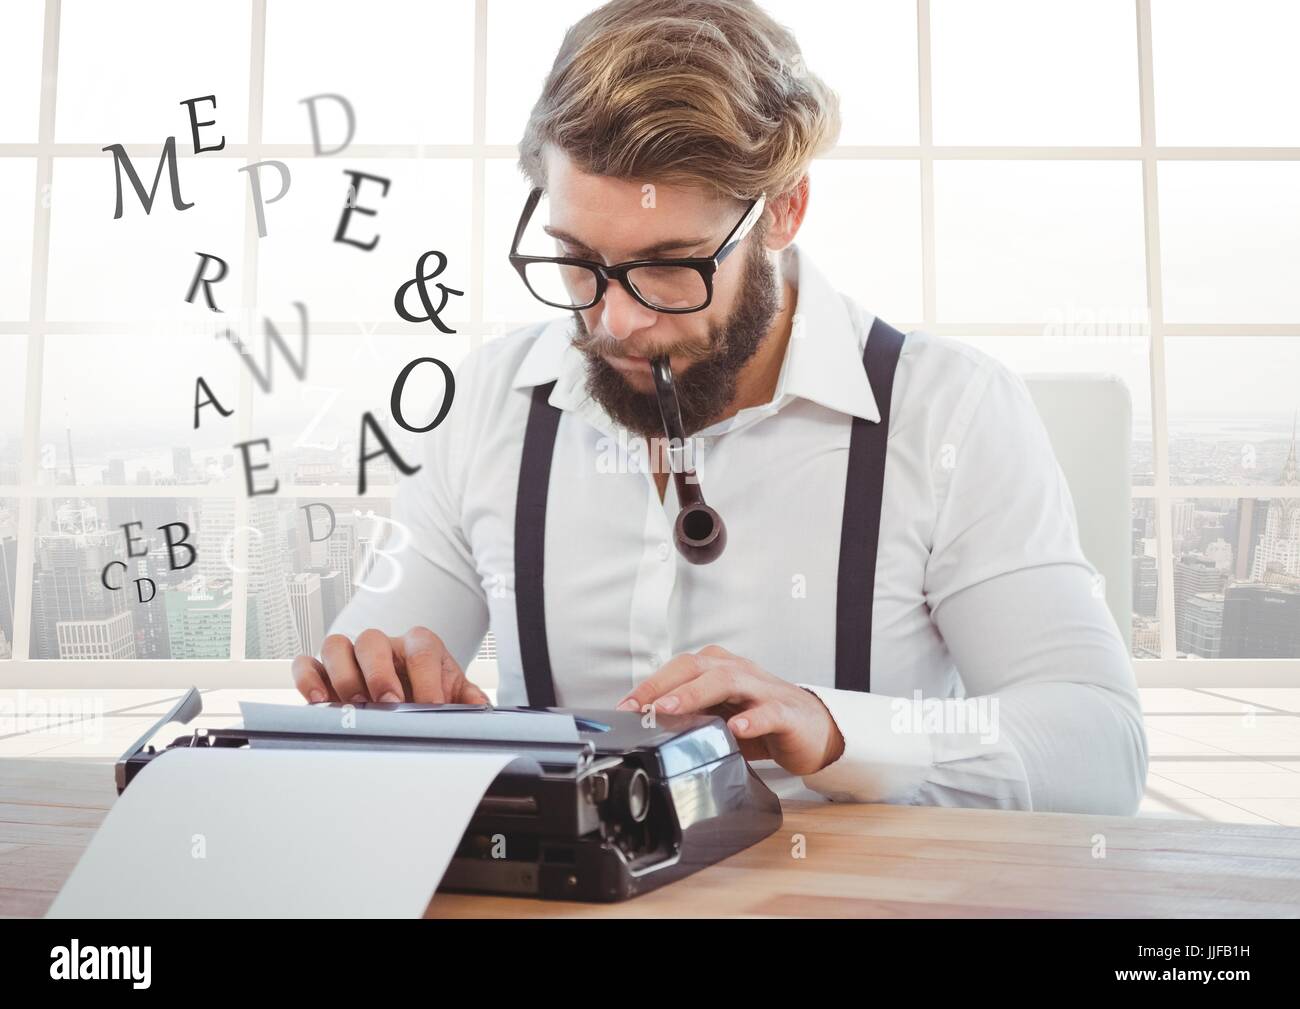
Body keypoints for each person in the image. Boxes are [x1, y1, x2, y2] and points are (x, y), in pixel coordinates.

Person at [291, 0, 1147, 812]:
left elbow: (1100, 745)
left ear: (784, 210)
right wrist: (375, 691)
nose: (615, 320)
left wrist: (842, 727)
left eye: (670, 265)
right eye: (578, 259)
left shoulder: (951, 411)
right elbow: (369, 683)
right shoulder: (492, 402)